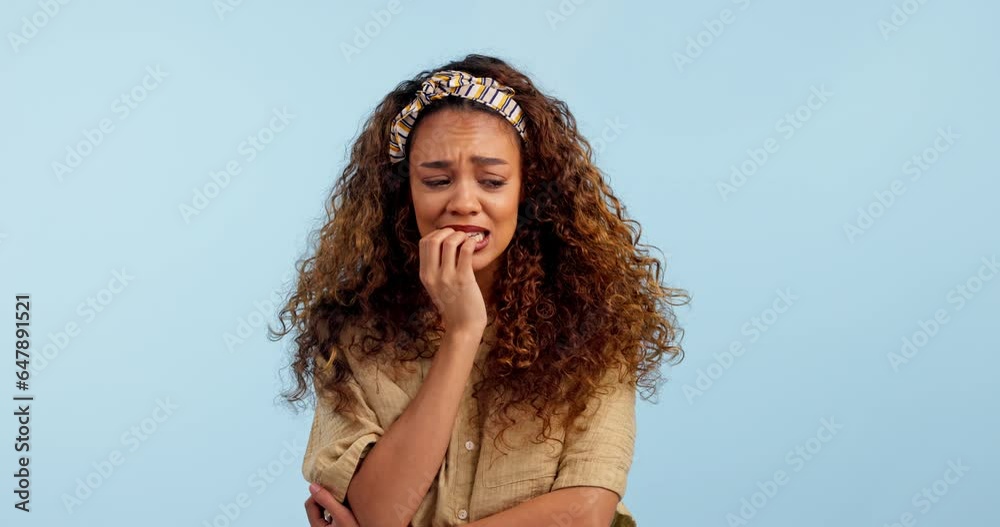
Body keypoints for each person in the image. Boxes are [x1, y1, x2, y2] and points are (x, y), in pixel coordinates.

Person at [271, 53, 688, 527]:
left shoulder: (595, 321)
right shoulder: (348, 330)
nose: (464, 202)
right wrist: (462, 331)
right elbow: (375, 515)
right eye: (436, 180)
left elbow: (585, 512)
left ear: (526, 190)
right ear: (403, 192)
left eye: (492, 181)